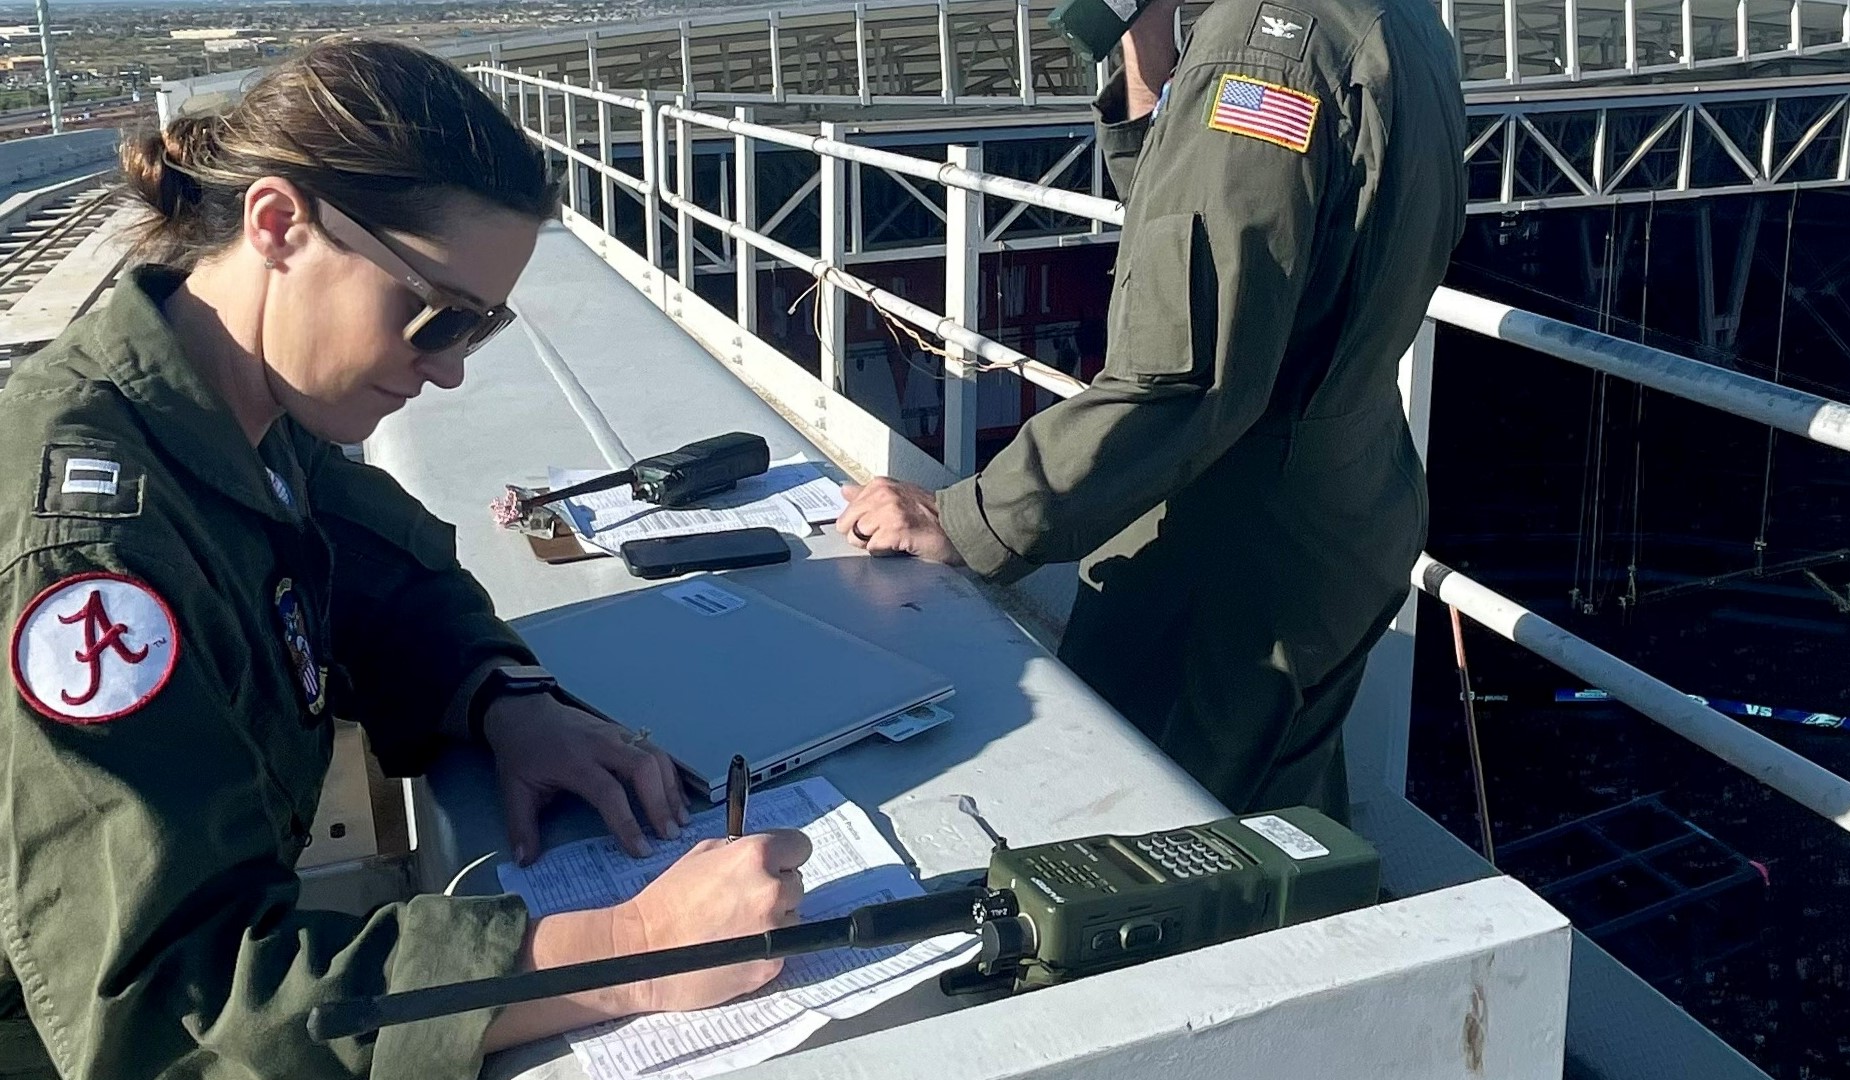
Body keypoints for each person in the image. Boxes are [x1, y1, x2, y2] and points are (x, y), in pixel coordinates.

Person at [0, 39, 808, 1080]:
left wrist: (504, 700)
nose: (449, 372)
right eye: (434, 316)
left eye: (481, 329)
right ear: (281, 226)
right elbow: (173, 1007)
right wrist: (631, 950)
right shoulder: (90, 554)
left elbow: (390, 580)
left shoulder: (234, 406)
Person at [837, 0, 1467, 822]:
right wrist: (1148, 54)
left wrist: (968, 520)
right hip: (1345, 503)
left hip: (1226, 547)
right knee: (1278, 835)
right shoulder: (1394, 20)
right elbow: (1204, 231)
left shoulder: (1261, 46)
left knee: (1159, 856)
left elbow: (1186, 374)